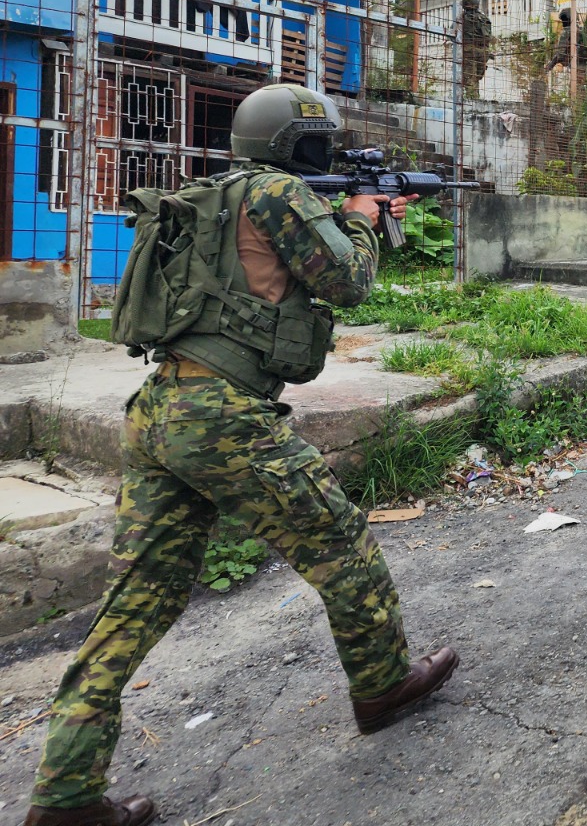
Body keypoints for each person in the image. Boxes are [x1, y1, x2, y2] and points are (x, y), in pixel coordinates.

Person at [24, 84, 457, 826]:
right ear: (298, 145)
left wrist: (360, 212)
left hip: (161, 407)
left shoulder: (214, 195)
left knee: (134, 605)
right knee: (343, 550)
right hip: (223, 416)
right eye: (318, 143)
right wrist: (362, 222)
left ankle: (64, 796)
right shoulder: (282, 194)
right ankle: (383, 685)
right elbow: (347, 284)